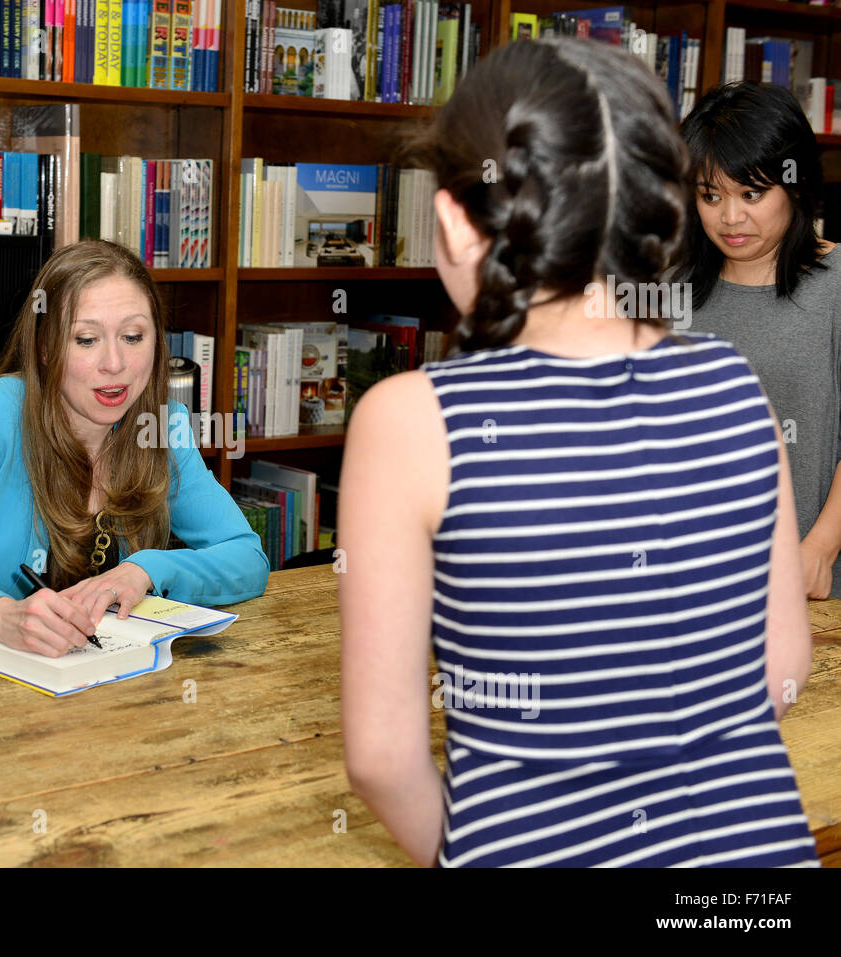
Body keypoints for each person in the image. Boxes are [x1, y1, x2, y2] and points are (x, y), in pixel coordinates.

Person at [339, 38, 817, 867]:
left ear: (453, 219)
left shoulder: (411, 419)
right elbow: (783, 660)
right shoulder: (734, 384)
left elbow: (382, 757)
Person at [0, 239, 269, 655]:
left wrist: (145, 569)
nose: (114, 363)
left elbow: (247, 559)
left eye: (133, 336)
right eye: (86, 339)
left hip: (112, 673)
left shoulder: (162, 428)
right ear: (45, 348)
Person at [678, 82, 841, 600]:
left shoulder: (836, 284)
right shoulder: (667, 290)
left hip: (808, 589)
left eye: (752, 193)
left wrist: (820, 549)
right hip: (689, 584)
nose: (730, 217)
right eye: (710, 195)